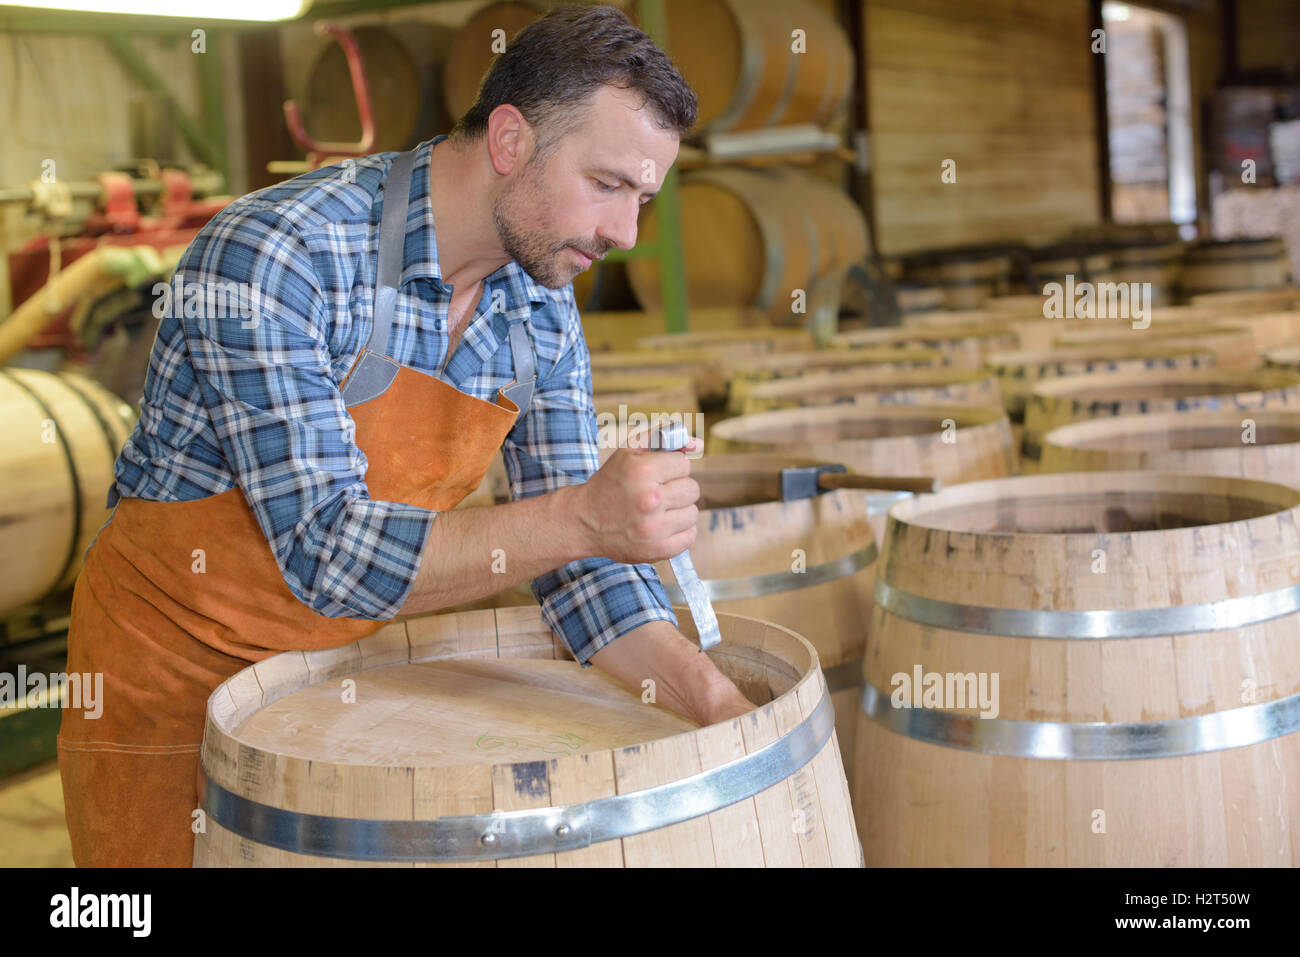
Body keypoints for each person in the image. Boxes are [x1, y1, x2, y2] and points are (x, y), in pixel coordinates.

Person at [57, 3, 753, 867]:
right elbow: (328, 554)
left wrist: (722, 705)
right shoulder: (279, 256)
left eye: (643, 199)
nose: (625, 233)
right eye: (607, 184)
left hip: (336, 681)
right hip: (168, 669)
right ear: (509, 141)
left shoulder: (539, 303)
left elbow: (585, 576)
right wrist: (584, 516)